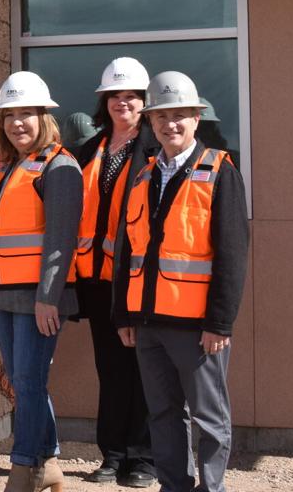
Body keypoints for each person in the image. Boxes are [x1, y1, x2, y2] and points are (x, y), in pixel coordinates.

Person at [113, 72, 249, 492]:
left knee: (209, 418)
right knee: (163, 415)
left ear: (196, 119)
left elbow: (232, 253)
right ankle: (174, 486)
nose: (170, 124)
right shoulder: (143, 176)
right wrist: (124, 314)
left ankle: (212, 488)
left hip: (197, 327)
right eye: (162, 116)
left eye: (179, 115)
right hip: (148, 322)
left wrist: (219, 322)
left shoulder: (220, 171)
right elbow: (127, 252)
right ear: (151, 122)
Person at [0, 72, 81, 492]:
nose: (16, 123)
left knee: (29, 382)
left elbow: (61, 239)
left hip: (39, 297)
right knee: (23, 384)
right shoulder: (11, 167)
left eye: (26, 114)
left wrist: (48, 298)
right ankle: (50, 461)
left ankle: (24, 468)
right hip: (5, 295)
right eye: (9, 115)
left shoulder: (60, 166)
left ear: (44, 117)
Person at [73, 58, 157, 487]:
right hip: (98, 282)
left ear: (145, 102)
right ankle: (113, 454)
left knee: (143, 369)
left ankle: (143, 458)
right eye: (115, 96)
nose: (123, 103)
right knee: (110, 369)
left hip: (137, 280)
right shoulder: (91, 149)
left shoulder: (156, 149)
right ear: (104, 102)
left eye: (132, 96)